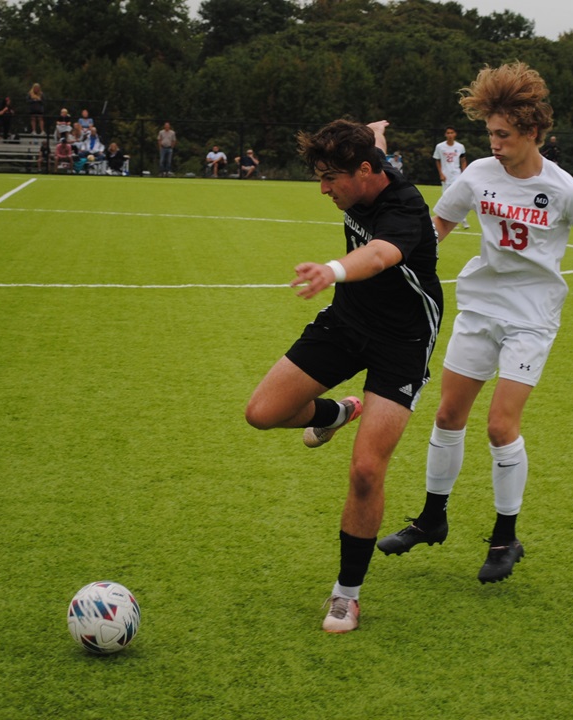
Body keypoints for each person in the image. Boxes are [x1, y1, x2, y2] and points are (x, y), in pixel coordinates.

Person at [377, 62, 573, 585]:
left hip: (532, 317)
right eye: (490, 133)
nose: (495, 143)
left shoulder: (564, 188)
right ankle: (432, 519)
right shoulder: (479, 173)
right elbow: (439, 222)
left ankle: (506, 537)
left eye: (504, 135)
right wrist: (407, 263)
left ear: (533, 133)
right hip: (480, 307)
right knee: (446, 416)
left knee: (500, 425)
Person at [244, 119, 443, 633]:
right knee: (262, 413)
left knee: (365, 470)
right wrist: (375, 129)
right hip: (348, 320)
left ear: (364, 171)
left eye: (330, 177)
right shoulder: (368, 162)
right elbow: (373, 146)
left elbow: (378, 255)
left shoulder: (406, 208)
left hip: (403, 341)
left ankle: (346, 594)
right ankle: (337, 412)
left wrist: (331, 269)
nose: (324, 189)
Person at [433, 126, 469, 228]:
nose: (450, 135)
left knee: (459, 196)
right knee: (446, 197)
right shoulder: (440, 146)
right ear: (445, 135)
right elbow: (437, 160)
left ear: (455, 134)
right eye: (448, 133)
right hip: (446, 175)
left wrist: (464, 173)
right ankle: (450, 220)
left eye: (451, 133)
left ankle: (463, 220)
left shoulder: (460, 146)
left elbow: (463, 160)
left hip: (457, 175)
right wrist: (441, 173)